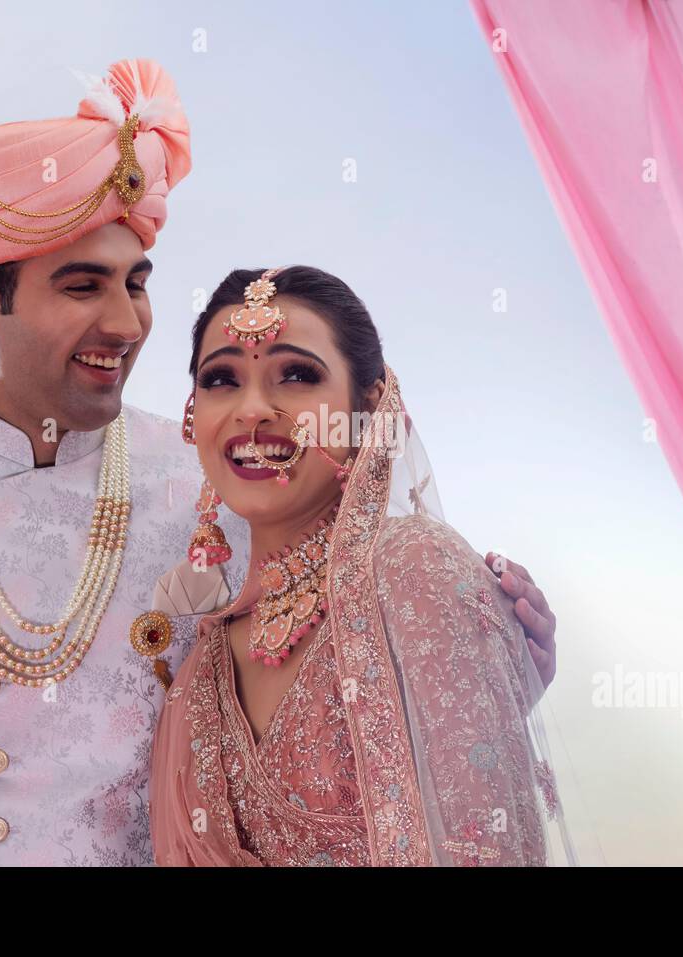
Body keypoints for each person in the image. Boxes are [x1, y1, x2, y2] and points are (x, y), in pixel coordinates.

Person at [0, 60, 560, 866]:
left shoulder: (226, 489)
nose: (128, 324)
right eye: (84, 286)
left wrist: (488, 665)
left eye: (138, 283)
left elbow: (366, 726)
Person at [150, 266, 586, 865]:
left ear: (368, 405)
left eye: (297, 374)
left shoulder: (414, 571)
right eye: (221, 379)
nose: (251, 409)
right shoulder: (203, 664)